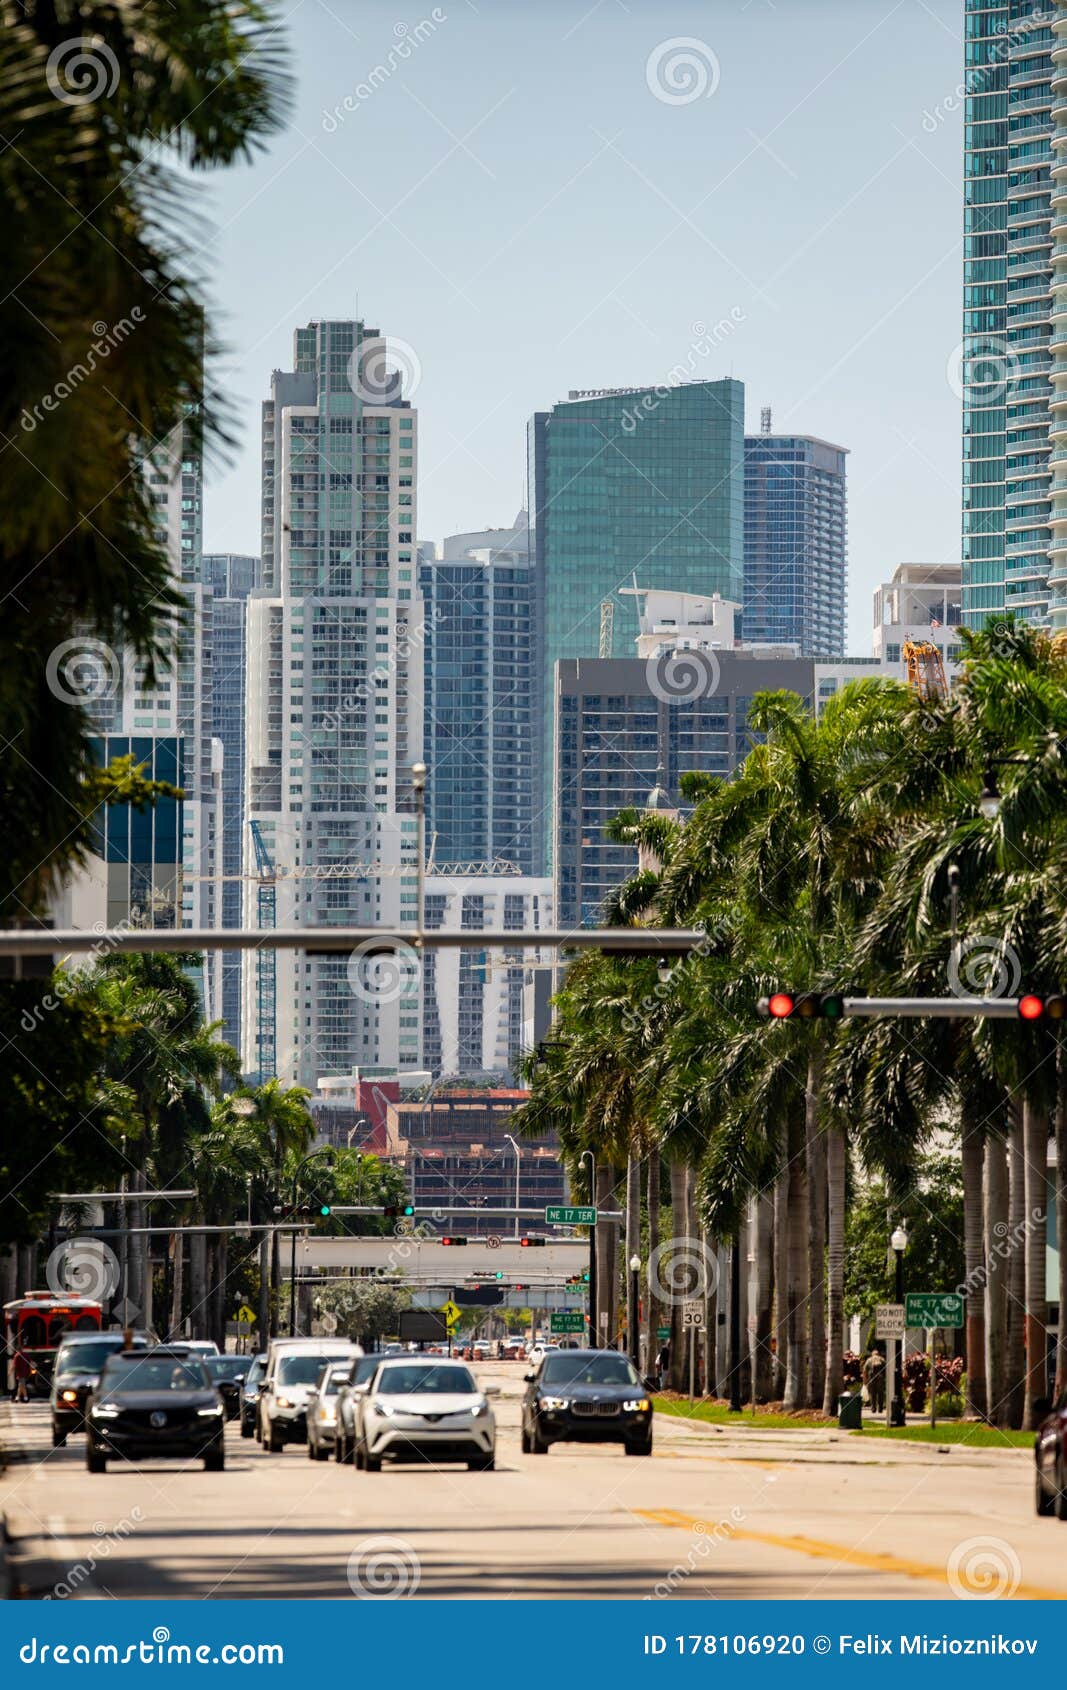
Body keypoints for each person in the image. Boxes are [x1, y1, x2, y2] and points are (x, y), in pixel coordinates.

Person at [862, 1346, 886, 1414]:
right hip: (880, 1379)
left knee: (872, 1394)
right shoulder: (882, 1359)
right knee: (880, 1393)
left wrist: (865, 1381)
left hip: (871, 1379)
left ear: (872, 1354)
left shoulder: (869, 1360)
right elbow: (886, 1369)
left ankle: (873, 1408)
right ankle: (880, 1408)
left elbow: (864, 1371)